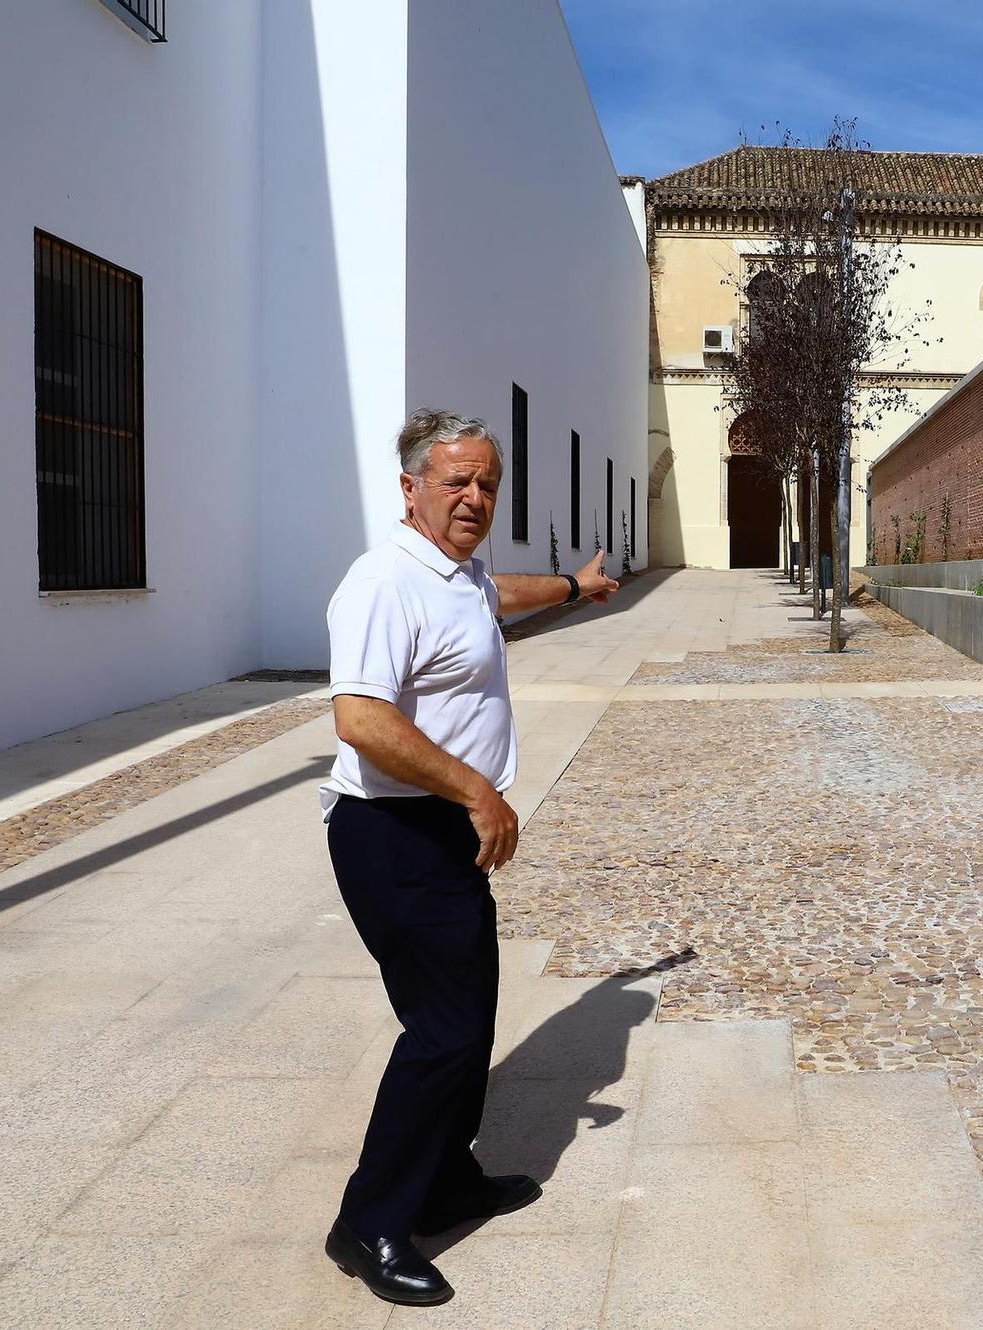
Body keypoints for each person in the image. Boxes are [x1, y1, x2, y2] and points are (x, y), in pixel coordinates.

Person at [319, 408, 619, 1305]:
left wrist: (572, 586)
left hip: (442, 830)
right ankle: (368, 1223)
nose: (475, 497)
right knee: (442, 1032)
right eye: (455, 481)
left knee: (470, 1019)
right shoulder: (382, 584)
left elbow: (495, 598)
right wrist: (477, 790)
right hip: (394, 834)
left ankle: (445, 1179)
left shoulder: (456, 574)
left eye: (487, 482)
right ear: (409, 487)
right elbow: (361, 720)